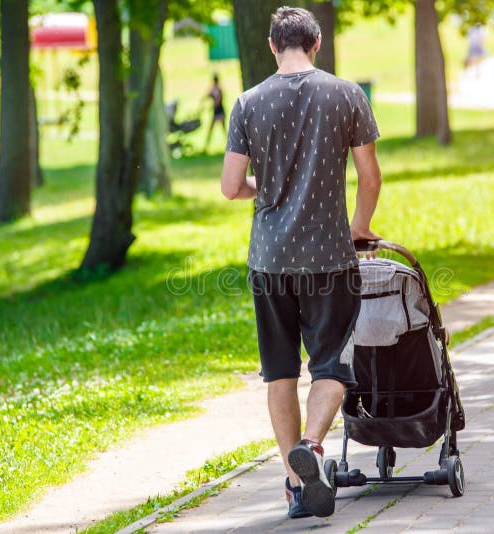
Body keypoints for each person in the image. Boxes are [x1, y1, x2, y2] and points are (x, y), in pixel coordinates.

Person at [220, 5, 382, 520]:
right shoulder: (346, 94)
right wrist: (359, 227)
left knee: (279, 373)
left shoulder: (247, 102)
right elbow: (370, 177)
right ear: (315, 45)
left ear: (272, 47)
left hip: (269, 261)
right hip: (330, 256)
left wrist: (263, 188)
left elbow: (229, 188)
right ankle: (312, 447)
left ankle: (295, 487)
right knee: (331, 363)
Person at [203, 73, 226, 152]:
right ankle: (206, 146)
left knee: (222, 130)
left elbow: (218, 100)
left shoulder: (217, 89)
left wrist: (211, 106)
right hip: (218, 111)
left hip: (219, 111)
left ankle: (206, 146)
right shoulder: (215, 89)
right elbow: (207, 96)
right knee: (215, 130)